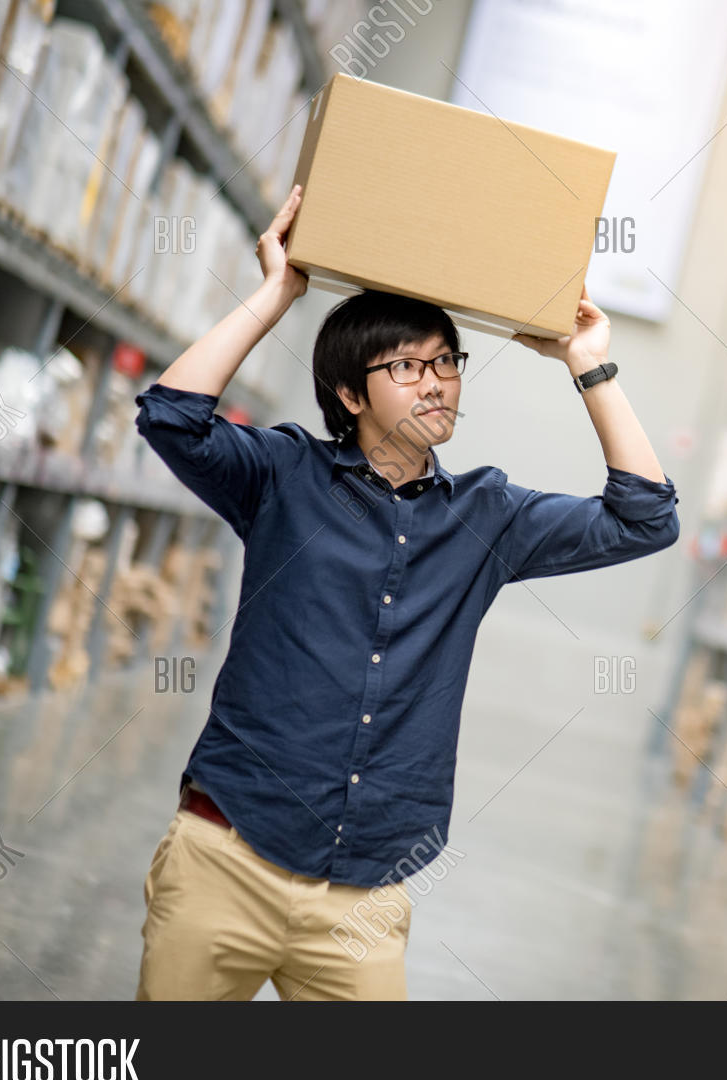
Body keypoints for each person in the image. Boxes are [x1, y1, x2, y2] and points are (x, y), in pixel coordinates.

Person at [132, 185, 679, 1000]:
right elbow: (172, 418)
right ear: (351, 394)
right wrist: (279, 292)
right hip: (228, 858)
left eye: (447, 363)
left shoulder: (488, 515)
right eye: (407, 368)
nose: (437, 384)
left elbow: (646, 518)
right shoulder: (283, 477)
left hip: (364, 893)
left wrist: (587, 359)